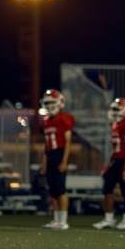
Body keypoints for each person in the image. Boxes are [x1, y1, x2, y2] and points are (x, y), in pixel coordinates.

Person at [93, 98, 125, 230]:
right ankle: (109, 219)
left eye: (117, 109)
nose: (114, 112)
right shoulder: (116, 124)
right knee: (107, 187)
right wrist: (108, 165)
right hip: (117, 160)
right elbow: (116, 149)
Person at [38, 89, 74, 230]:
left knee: (61, 190)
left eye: (52, 103)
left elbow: (67, 142)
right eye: (47, 103)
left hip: (59, 154)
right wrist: (44, 162)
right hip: (51, 155)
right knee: (53, 191)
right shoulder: (46, 121)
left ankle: (63, 221)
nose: (49, 106)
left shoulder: (65, 118)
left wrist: (64, 160)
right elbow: (47, 144)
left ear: (59, 103)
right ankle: (56, 220)